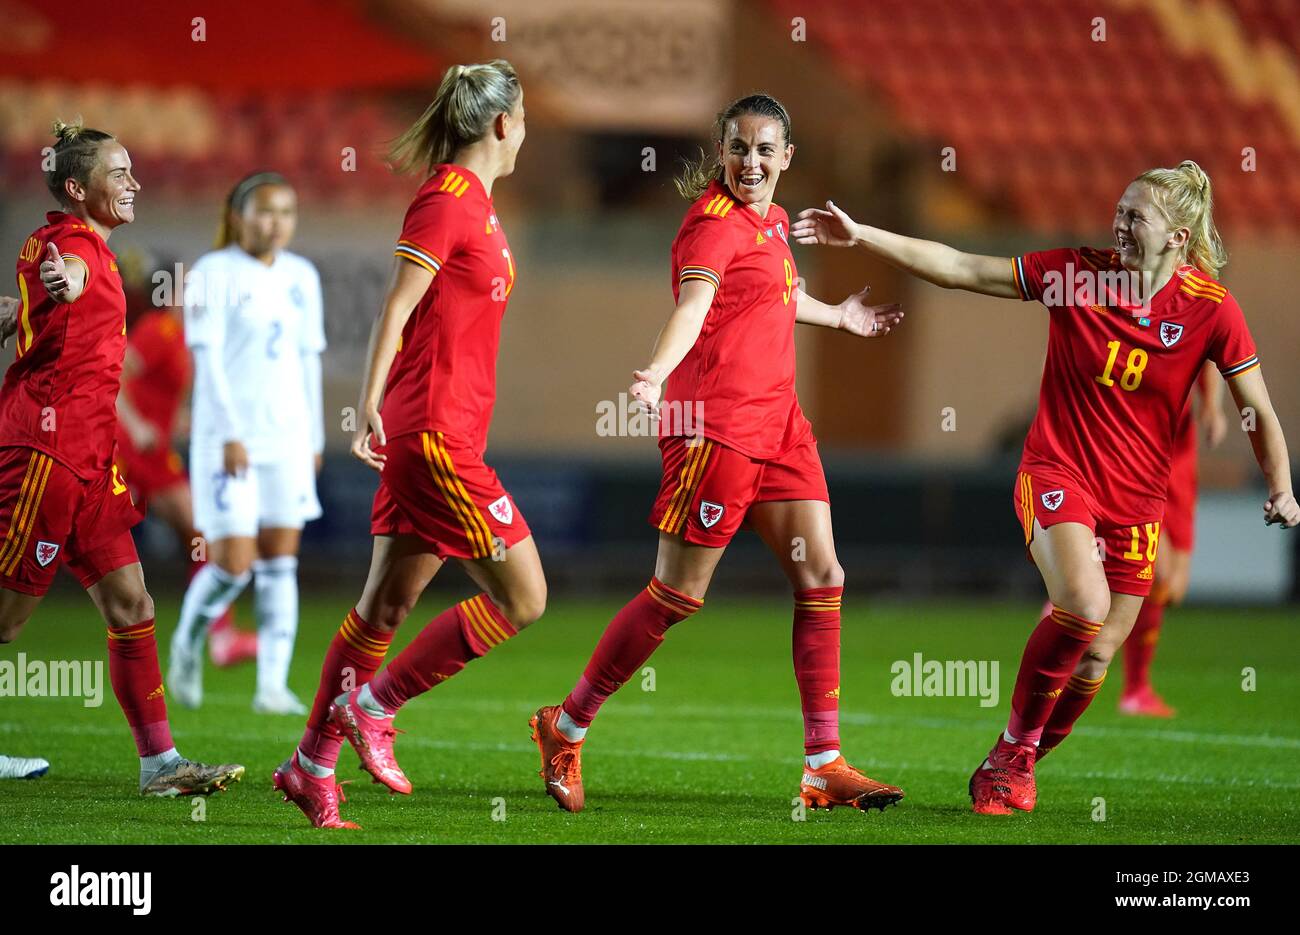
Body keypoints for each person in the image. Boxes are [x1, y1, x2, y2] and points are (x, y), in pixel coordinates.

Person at [792, 160, 1298, 814]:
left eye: (1135, 215)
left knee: (1094, 660)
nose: (1119, 222)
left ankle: (1014, 754)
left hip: (1140, 502)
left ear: (1177, 237)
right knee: (1083, 603)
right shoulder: (1075, 273)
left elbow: (1254, 405)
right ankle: (1015, 749)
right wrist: (864, 234)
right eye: (1119, 208)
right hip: (1058, 473)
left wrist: (1280, 485)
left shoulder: (1212, 310)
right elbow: (961, 266)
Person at [530, 93, 906, 815]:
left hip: (781, 425)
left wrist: (839, 316)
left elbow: (769, 297)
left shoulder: (767, 222)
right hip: (717, 427)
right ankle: (565, 726)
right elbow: (696, 304)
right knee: (677, 595)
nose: (752, 161)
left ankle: (824, 763)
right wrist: (659, 370)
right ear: (721, 152)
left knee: (823, 573)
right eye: (739, 148)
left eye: (766, 149)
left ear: (787, 156)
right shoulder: (712, 225)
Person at [273, 60, 544, 829]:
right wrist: (365, 409)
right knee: (525, 596)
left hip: (440, 425)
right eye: (522, 119)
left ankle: (310, 765)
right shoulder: (448, 199)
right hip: (433, 432)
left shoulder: (476, 207)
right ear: (501, 124)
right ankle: (376, 704)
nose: (524, 132)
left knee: (383, 605)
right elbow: (396, 310)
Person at [0, 121, 243, 795]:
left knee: (133, 602)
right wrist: (64, 281)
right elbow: (64, 274)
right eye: (119, 173)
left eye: (133, 170)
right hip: (46, 456)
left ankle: (160, 766)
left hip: (91, 462)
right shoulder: (73, 246)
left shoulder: (96, 252)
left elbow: (47, 306)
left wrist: (28, 308)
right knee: (7, 622)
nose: (134, 182)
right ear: (78, 188)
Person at [166, 172, 326, 715]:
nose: (275, 222)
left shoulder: (303, 275)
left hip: (287, 439)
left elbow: (308, 359)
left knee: (281, 560)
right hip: (227, 439)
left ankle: (272, 686)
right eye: (264, 210)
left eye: (286, 211)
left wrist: (315, 437)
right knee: (234, 563)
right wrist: (231, 432)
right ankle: (188, 643)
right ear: (236, 215)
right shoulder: (213, 272)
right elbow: (206, 360)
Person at [114, 253, 256, 669]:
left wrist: (191, 424)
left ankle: (215, 636)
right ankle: (217, 637)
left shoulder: (187, 341)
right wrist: (137, 425)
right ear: (174, 293)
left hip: (154, 453)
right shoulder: (160, 329)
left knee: (200, 540)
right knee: (202, 538)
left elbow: (160, 405)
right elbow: (114, 377)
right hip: (130, 449)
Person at [1118, 363, 1225, 717]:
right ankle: (1135, 689)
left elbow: (1211, 353)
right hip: (1130, 445)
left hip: (1178, 452)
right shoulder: (1109, 306)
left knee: (1172, 587)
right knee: (1157, 572)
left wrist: (1212, 406)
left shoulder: (1199, 307)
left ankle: (1074, 602)